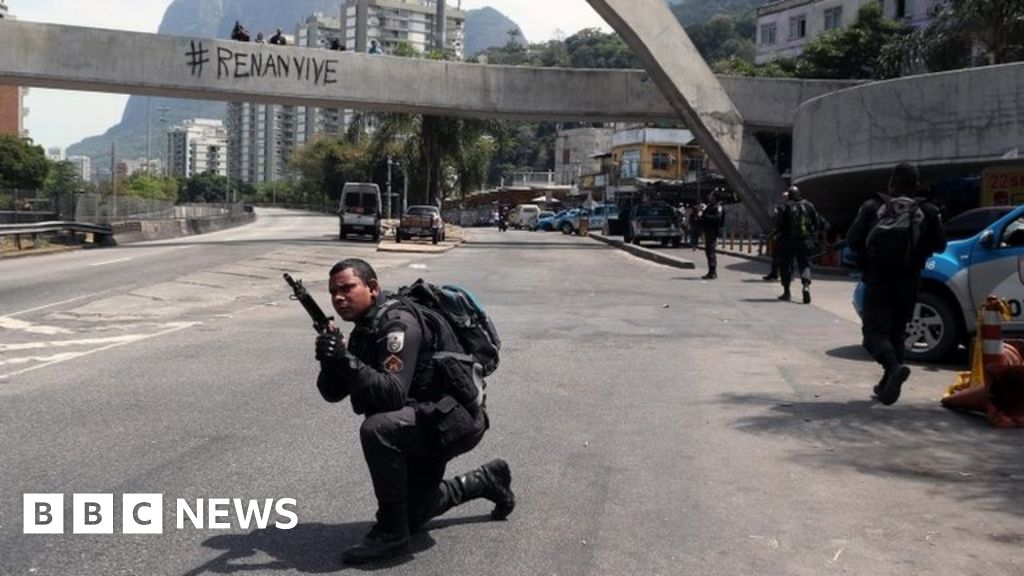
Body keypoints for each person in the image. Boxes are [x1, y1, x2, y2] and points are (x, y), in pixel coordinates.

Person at [314, 259, 514, 563]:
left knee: (377, 429)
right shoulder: (364, 330)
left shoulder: (398, 324)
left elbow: (393, 394)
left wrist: (346, 361)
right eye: (333, 292)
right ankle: (485, 480)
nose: (339, 297)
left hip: (452, 421)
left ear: (372, 288)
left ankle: (391, 536)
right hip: (423, 421)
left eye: (347, 288)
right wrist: (331, 360)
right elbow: (332, 393)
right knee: (414, 514)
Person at [846, 163, 946, 405]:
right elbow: (940, 245)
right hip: (910, 280)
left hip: (878, 279)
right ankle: (886, 384)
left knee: (872, 335)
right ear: (917, 183)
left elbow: (853, 239)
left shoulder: (874, 207)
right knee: (897, 333)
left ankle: (892, 368)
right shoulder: (928, 211)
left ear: (892, 182)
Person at [777, 186, 822, 303]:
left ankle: (787, 292)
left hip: (788, 241)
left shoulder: (785, 207)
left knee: (786, 265)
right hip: (804, 240)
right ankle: (806, 286)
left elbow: (780, 225)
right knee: (804, 264)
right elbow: (816, 222)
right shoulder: (808, 205)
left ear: (790, 195)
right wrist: (812, 236)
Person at [700, 191, 724, 279]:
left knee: (711, 251)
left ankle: (713, 272)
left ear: (715, 197)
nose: (709, 196)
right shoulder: (710, 206)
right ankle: (710, 271)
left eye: (711, 195)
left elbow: (718, 218)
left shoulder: (719, 207)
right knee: (708, 251)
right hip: (708, 230)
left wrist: (706, 216)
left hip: (713, 230)